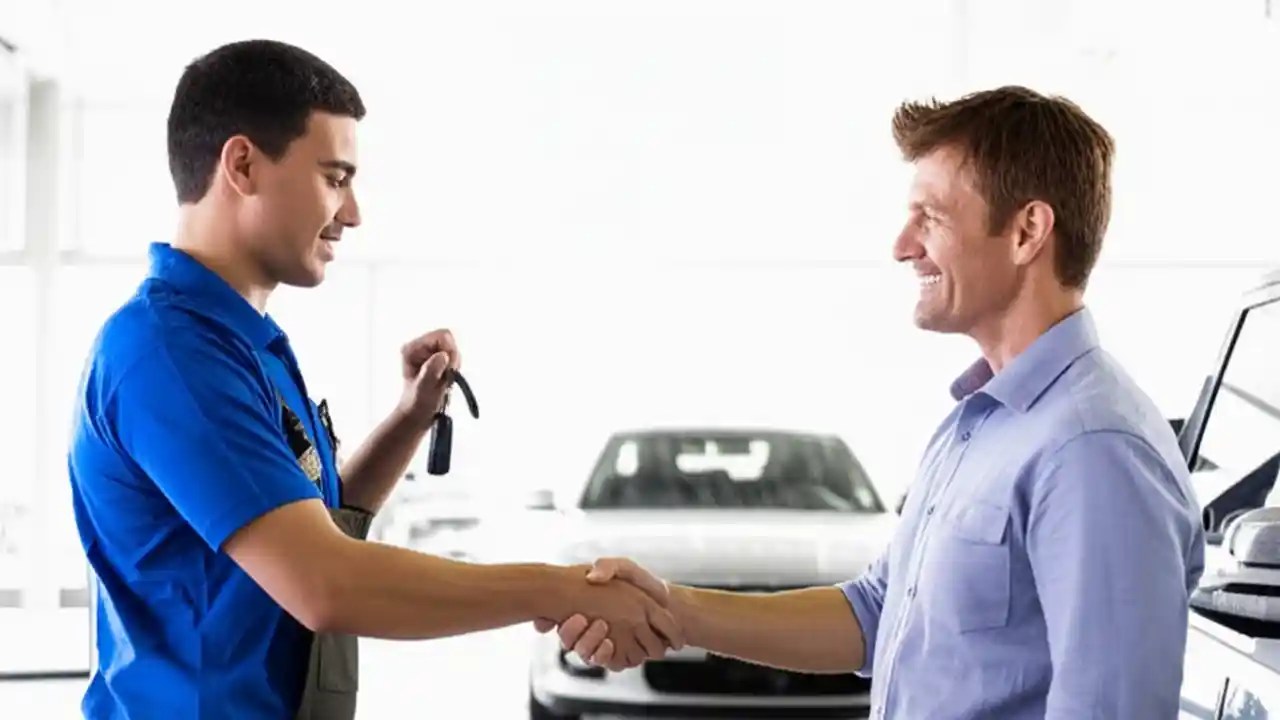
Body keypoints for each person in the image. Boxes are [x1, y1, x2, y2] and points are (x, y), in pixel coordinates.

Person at [543, 85, 1207, 719]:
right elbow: (874, 612)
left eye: (931, 216)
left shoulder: (1093, 451)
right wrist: (674, 610)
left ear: (1028, 230)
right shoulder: (978, 427)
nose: (902, 245)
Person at [66, 39, 679, 720]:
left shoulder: (244, 347)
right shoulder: (169, 354)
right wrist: (558, 589)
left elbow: (315, 529)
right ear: (242, 165)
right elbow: (325, 582)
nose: (352, 213)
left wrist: (410, 420)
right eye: (335, 177)